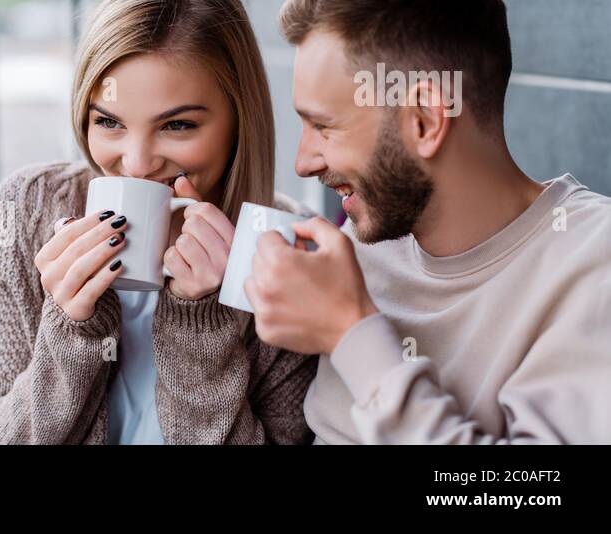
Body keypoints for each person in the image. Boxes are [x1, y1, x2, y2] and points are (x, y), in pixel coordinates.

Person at [248, 0, 611, 444]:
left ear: (424, 120)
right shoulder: (370, 233)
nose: (303, 162)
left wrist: (352, 335)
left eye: (324, 127)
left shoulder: (594, 267)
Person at [0, 0, 317, 445]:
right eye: (109, 122)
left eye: (176, 125)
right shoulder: (25, 212)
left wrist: (201, 328)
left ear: (239, 120)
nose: (137, 164)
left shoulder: (288, 254)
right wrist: (69, 333)